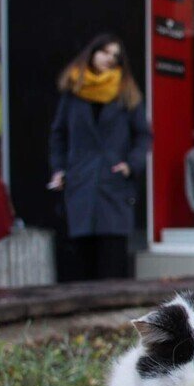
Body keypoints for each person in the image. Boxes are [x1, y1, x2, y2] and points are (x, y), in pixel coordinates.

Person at [48, 34, 152, 280]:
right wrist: (59, 169)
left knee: (112, 260)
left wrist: (131, 165)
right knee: (79, 260)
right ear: (91, 53)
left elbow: (143, 135)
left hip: (113, 183)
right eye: (105, 52)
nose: (109, 58)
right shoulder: (73, 93)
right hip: (80, 180)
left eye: (115, 55)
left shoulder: (126, 93)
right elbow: (59, 134)